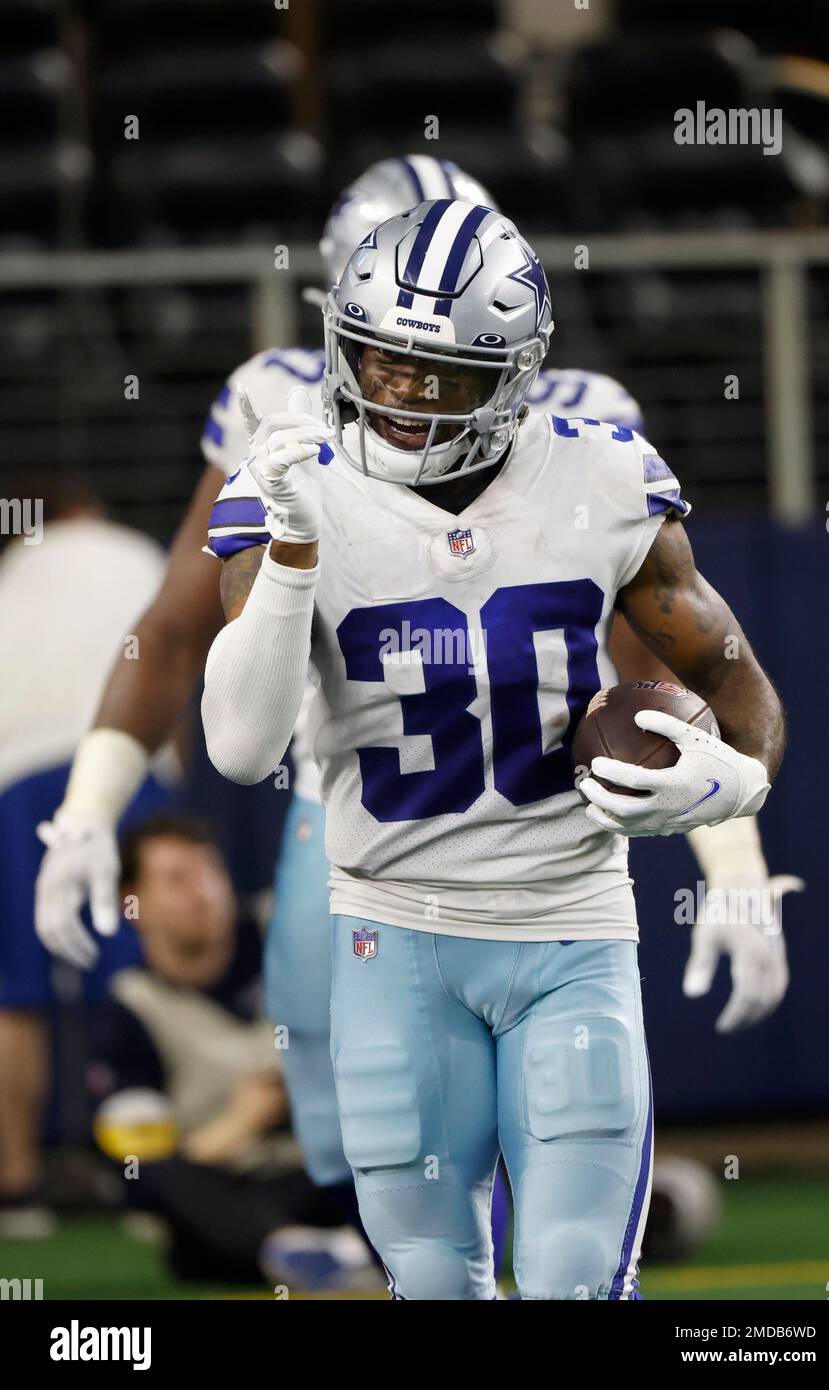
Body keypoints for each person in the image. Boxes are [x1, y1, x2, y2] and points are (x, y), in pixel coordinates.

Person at [200, 199, 787, 1300]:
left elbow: (733, 679)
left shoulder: (601, 482)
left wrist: (736, 779)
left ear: (514, 374)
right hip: (388, 930)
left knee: (574, 1281)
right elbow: (239, 747)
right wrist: (287, 555)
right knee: (433, 1280)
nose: (403, 399)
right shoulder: (290, 485)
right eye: (381, 362)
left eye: (442, 375)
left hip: (569, 922)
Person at [88, 812, 375, 1288]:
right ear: (132, 902)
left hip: (329, 1161)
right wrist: (241, 1122)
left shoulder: (290, 936)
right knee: (156, 1175)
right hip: (231, 1186)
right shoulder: (131, 1007)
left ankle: (305, 1255)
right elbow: (137, 1169)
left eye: (209, 871)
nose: (203, 892)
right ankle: (308, 1253)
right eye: (177, 880)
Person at [0, 473, 169, 1235]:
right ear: (88, 509)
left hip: (19, 782)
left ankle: (18, 1192)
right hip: (129, 771)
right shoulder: (136, 553)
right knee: (138, 982)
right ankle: (153, 1185)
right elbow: (180, 660)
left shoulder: (12, 575)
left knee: (17, 996)